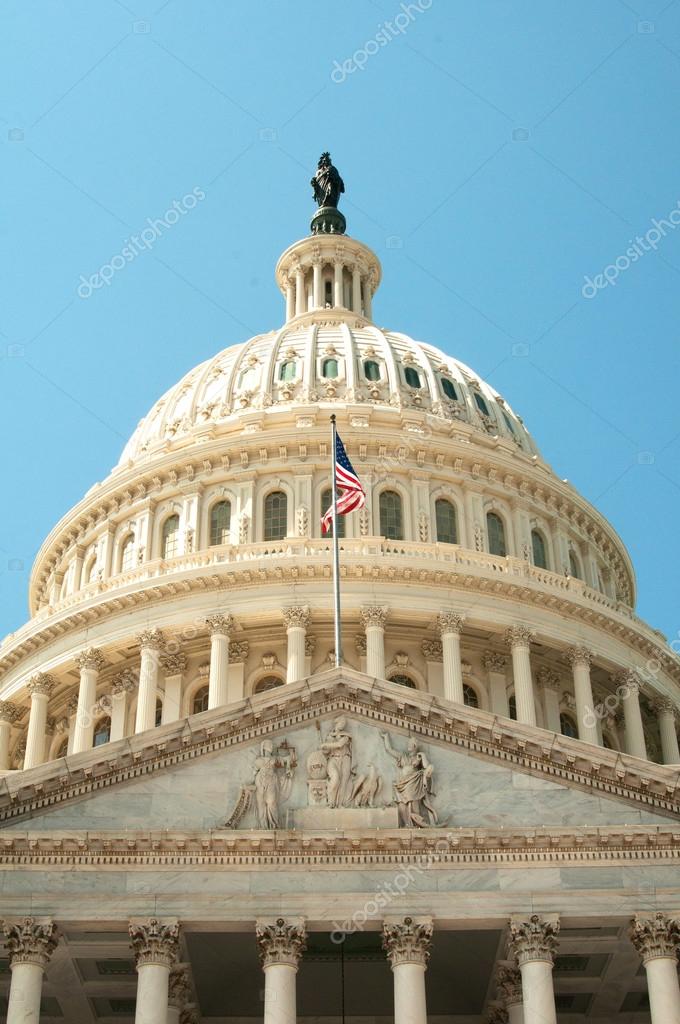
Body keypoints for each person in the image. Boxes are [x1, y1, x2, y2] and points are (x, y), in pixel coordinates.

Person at [380, 732, 438, 827]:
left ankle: (416, 824)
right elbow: (389, 750)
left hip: (413, 783)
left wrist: (423, 756)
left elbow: (427, 768)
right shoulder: (403, 756)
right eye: (408, 744)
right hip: (402, 784)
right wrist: (386, 737)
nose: (408, 745)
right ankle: (407, 823)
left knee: (413, 802)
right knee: (401, 804)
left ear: (414, 746)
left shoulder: (418, 757)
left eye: (410, 744)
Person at [320, 716, 353, 807]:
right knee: (335, 778)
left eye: (344, 724)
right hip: (333, 759)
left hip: (345, 759)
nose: (342, 725)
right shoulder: (329, 736)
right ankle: (331, 801)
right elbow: (326, 751)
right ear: (336, 723)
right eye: (341, 723)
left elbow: (339, 744)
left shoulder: (346, 735)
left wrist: (325, 744)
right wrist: (324, 748)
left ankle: (340, 804)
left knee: (343, 782)